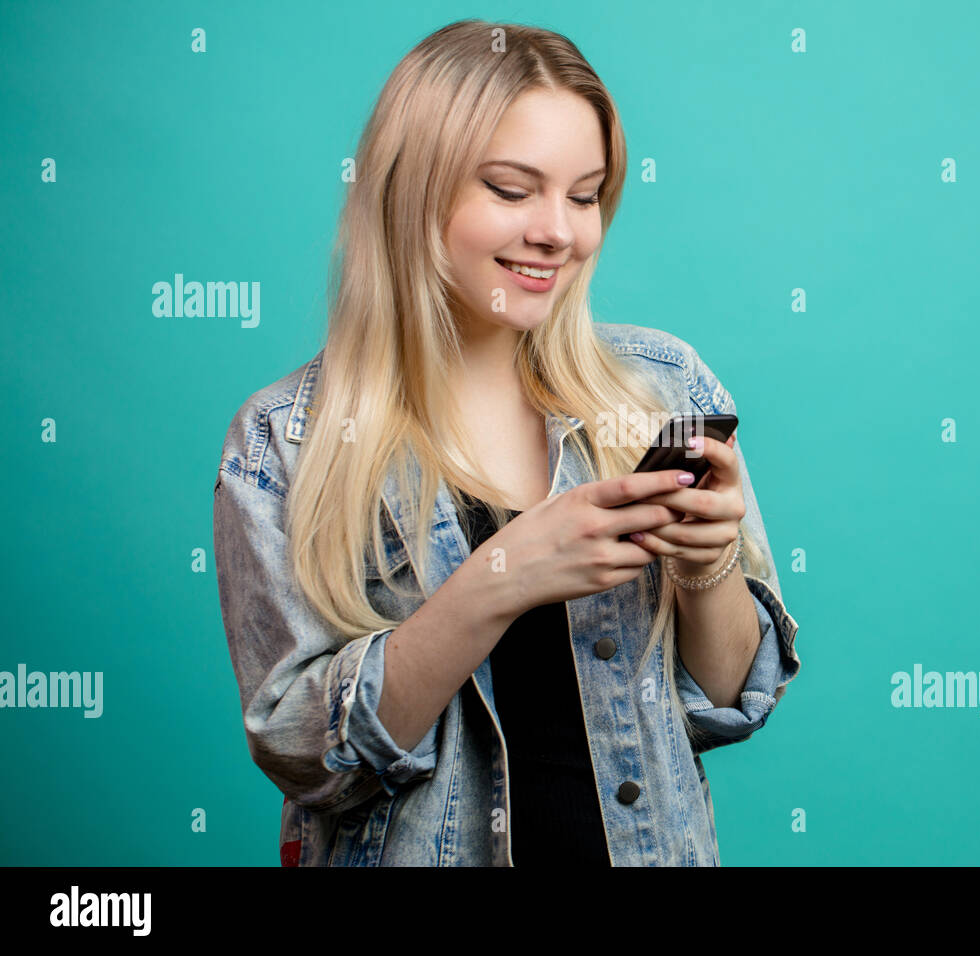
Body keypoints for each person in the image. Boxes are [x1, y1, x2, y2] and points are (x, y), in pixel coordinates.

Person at [212, 18, 800, 867]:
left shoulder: (663, 385)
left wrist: (708, 570)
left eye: (585, 193)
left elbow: (729, 702)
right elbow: (308, 758)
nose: (559, 231)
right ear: (413, 189)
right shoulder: (285, 440)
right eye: (512, 189)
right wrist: (498, 578)